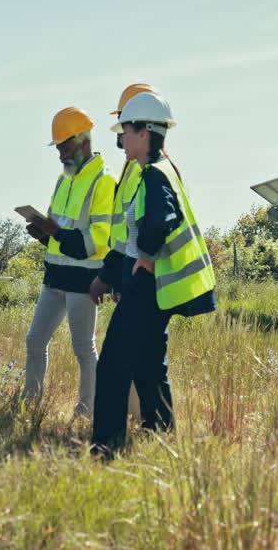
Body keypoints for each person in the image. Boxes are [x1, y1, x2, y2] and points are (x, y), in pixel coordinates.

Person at [88, 92, 216, 455]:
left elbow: (162, 221)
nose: (121, 138)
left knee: (113, 365)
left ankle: (106, 447)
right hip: (151, 288)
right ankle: (161, 434)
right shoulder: (154, 172)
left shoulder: (154, 176)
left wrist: (144, 256)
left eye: (125, 130)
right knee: (147, 364)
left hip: (146, 287)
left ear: (144, 132)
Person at [23, 107, 116, 417]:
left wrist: (56, 233)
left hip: (83, 281)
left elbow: (95, 242)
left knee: (84, 351)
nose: (60, 154)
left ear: (83, 140)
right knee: (35, 340)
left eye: (64, 146)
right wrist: (42, 233)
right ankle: (29, 404)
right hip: (55, 278)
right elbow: (59, 236)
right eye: (59, 147)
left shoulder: (104, 183)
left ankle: (86, 412)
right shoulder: (64, 181)